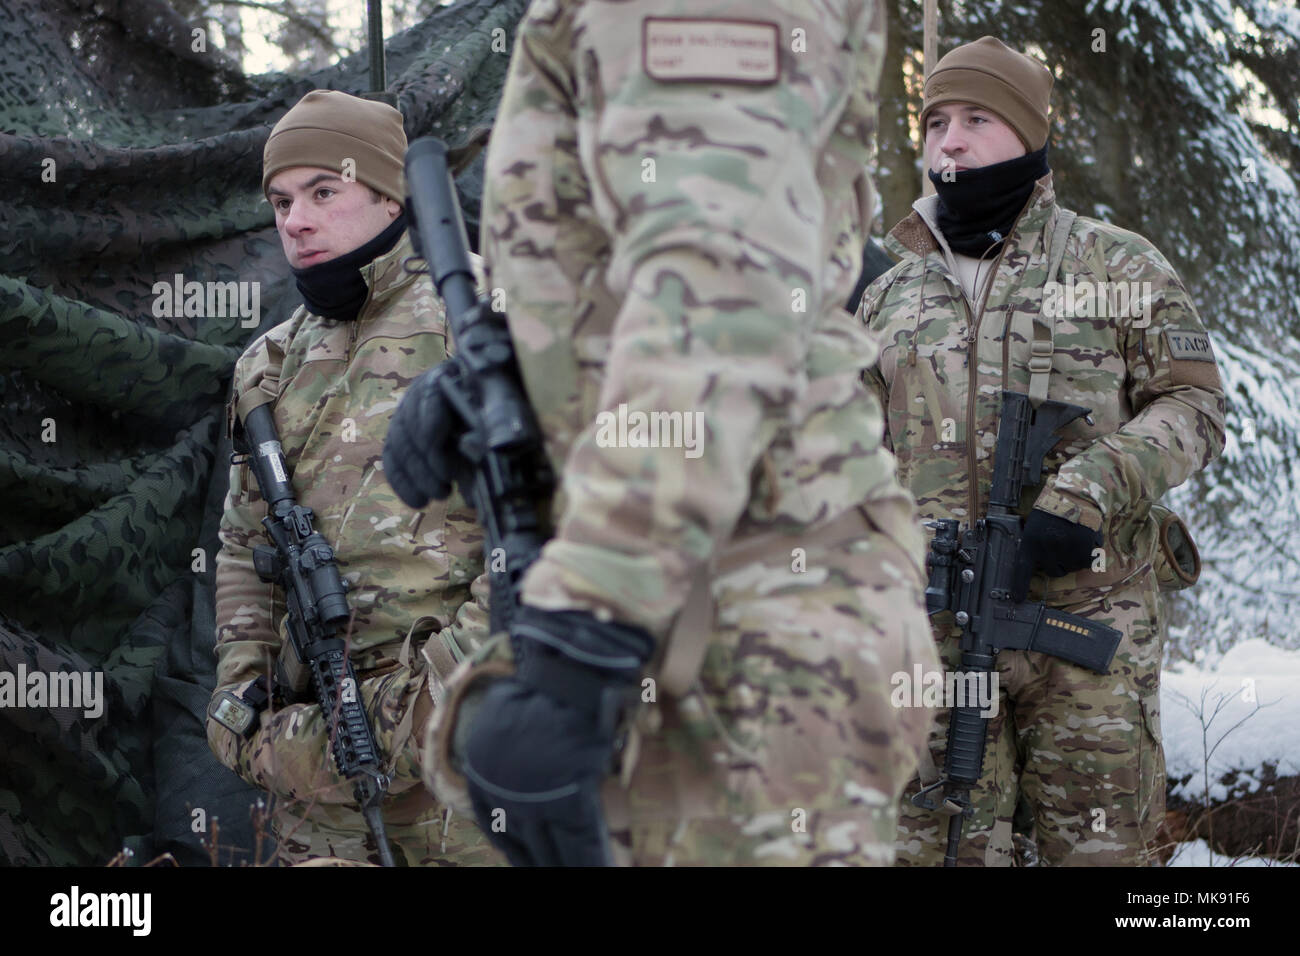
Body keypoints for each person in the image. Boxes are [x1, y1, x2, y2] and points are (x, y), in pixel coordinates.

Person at [386, 0, 939, 866]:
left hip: (737, 625)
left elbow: (721, 284)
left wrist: (582, 634)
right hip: (687, 607)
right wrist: (511, 383)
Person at [859, 37, 1226, 865]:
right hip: (935, 637)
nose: (949, 141)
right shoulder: (888, 294)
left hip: (1089, 627)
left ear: (1030, 134)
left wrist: (1090, 488)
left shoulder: (1117, 262)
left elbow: (1196, 403)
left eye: (977, 118)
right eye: (936, 122)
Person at [205, 89, 499, 866]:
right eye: (281, 200)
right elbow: (245, 549)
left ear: (389, 192)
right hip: (322, 798)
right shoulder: (267, 364)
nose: (295, 221)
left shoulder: (491, 317)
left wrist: (426, 708)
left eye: (323, 193)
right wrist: (248, 708)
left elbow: (556, 540)